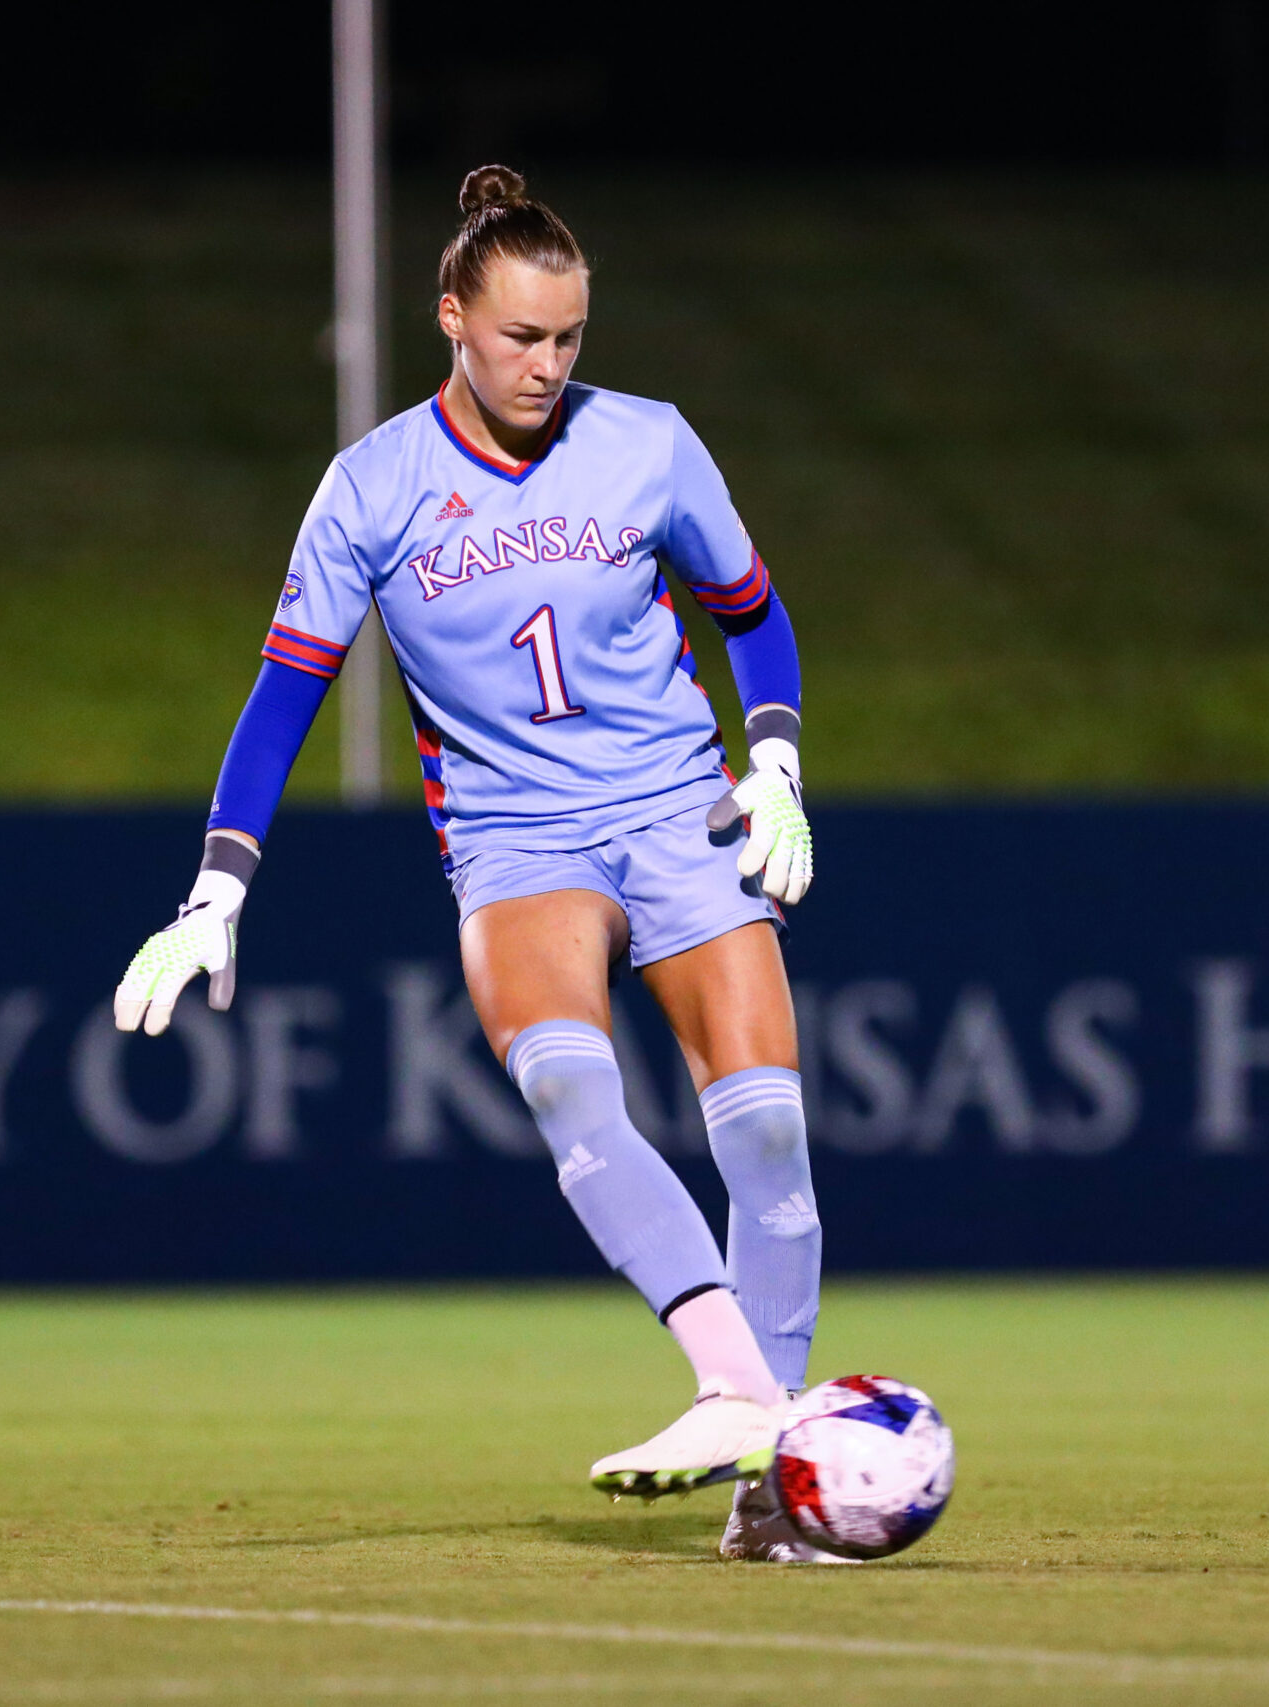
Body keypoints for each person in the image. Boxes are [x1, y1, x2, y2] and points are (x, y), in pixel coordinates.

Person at [111, 166, 836, 1563]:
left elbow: (755, 614)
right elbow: (284, 697)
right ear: (452, 316)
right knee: (574, 1093)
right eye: (519, 337)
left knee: (767, 1133)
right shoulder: (372, 486)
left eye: (568, 339)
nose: (547, 366)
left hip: (679, 808)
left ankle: (771, 1484)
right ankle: (739, 1387)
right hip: (518, 840)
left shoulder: (650, 445)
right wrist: (217, 888)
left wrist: (781, 758)